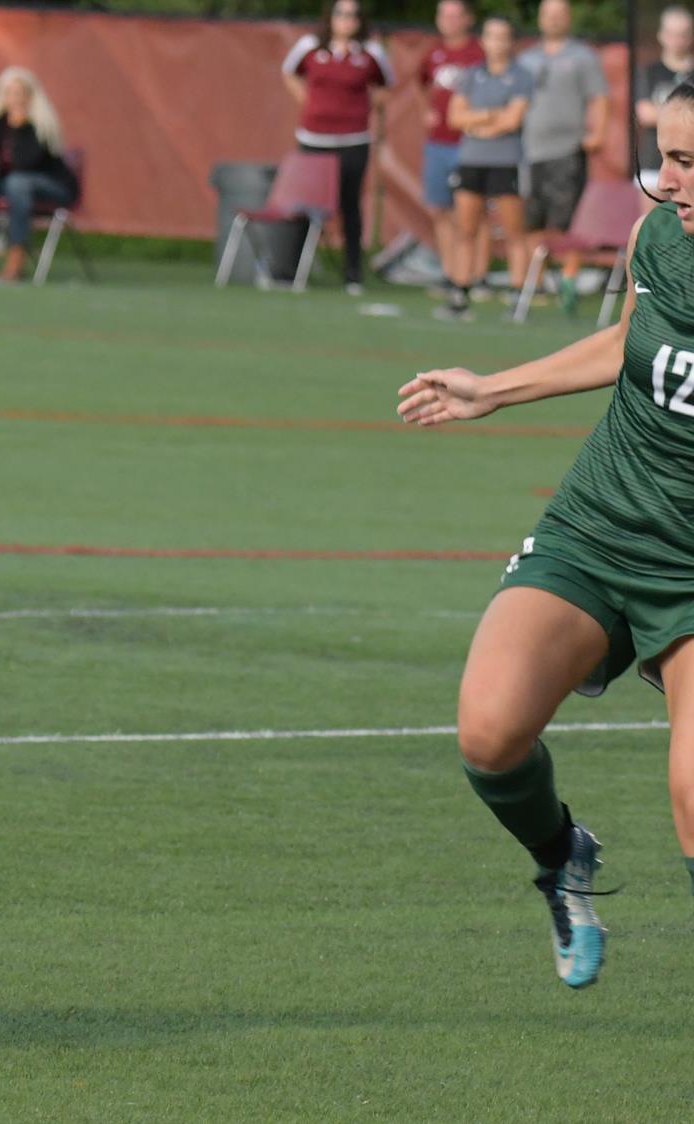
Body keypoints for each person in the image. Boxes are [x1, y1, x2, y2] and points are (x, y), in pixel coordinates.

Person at [395, 81, 694, 992]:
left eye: (687, 162)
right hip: (601, 522)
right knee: (489, 733)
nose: (667, 182)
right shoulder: (662, 236)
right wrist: (493, 388)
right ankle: (564, 859)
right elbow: (626, 343)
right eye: (663, 157)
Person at [282, 0, 392, 295]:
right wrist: (307, 101)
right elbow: (289, 72)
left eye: (353, 15)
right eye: (341, 14)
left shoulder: (371, 50)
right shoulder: (310, 45)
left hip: (353, 139)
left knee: (350, 205)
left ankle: (353, 273)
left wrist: (372, 106)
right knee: (304, 204)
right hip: (313, 137)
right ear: (330, 17)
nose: (346, 20)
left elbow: (384, 85)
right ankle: (291, 271)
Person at [439, 16, 533, 320]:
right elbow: (455, 117)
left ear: (511, 41)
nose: (497, 42)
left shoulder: (521, 76)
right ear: (482, 41)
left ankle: (518, 296)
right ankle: (459, 293)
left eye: (503, 36)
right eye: (491, 36)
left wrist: (478, 120)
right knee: (465, 228)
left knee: (513, 232)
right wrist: (491, 117)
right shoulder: (470, 75)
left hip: (505, 162)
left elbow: (513, 120)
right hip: (471, 160)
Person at [519, 0, 608, 316]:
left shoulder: (582, 56)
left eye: (560, 14)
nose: (554, 20)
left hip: (566, 151)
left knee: (566, 219)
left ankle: (569, 279)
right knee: (531, 217)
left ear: (568, 18)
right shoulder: (527, 58)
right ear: (540, 18)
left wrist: (596, 133)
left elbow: (599, 98)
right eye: (548, 14)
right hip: (529, 151)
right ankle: (538, 282)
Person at [0, 67, 76, 283]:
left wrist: (20, 128)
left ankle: (17, 255)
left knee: (18, 183)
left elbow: (25, 163)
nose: (15, 99)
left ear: (30, 95)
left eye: (19, 93)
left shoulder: (40, 125)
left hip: (53, 186)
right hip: (12, 185)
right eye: (9, 93)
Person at [419, 0, 486, 296]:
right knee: (439, 209)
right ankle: (450, 273)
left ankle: (477, 276)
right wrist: (426, 109)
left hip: (469, 144)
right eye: (443, 14)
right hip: (437, 143)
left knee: (473, 212)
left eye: (455, 15)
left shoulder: (479, 53)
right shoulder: (433, 52)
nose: (448, 20)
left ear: (468, 19)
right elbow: (420, 83)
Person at [637, 6, 694, 193]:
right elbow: (645, 113)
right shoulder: (648, 72)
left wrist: (661, 113)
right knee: (654, 220)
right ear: (661, 35)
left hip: (691, 165)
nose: (677, 40)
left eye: (683, 34)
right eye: (671, 33)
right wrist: (686, 116)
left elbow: (654, 113)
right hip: (654, 162)